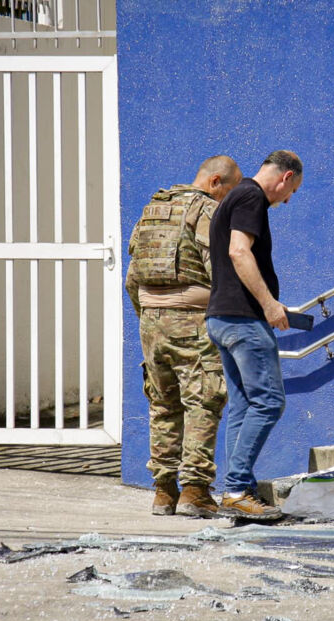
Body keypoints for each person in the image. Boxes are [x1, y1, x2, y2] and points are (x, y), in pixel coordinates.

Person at [125, 155, 242, 517]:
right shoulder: (206, 211)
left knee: (162, 404)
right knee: (203, 401)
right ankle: (194, 490)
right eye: (231, 191)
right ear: (215, 182)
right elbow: (220, 271)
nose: (231, 200)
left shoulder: (152, 211)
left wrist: (148, 317)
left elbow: (132, 277)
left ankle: (163, 492)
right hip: (193, 320)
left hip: (151, 322)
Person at [205, 150, 303, 520]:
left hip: (222, 317)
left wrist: (269, 302)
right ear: (286, 177)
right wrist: (268, 304)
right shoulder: (251, 197)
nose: (288, 200)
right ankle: (235, 490)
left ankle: (239, 490)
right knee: (269, 402)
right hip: (244, 321)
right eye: (292, 191)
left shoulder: (234, 196)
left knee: (244, 405)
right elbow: (238, 251)